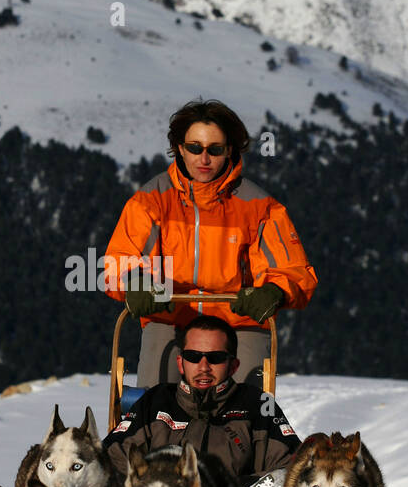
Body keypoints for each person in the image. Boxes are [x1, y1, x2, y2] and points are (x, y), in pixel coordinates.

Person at [104, 99, 317, 388]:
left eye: (214, 149)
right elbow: (120, 259)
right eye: (195, 147)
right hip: (170, 316)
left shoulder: (259, 207)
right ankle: (150, 427)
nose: (204, 159)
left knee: (247, 407)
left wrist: (274, 291)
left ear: (229, 150)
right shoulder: (151, 202)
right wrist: (135, 280)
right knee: (154, 402)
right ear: (179, 147)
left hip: (238, 321)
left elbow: (293, 270)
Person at [103, 316, 301, 487]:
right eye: (194, 357)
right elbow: (111, 458)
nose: (204, 367)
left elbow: (292, 466)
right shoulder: (157, 401)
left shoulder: (255, 405)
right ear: (181, 362)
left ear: (233, 365)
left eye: (216, 358)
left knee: (293, 479)